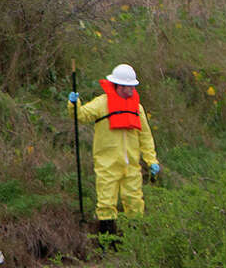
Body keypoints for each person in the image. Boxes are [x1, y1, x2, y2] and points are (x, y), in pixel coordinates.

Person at [68, 63, 160, 236]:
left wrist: (151, 160)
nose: (132, 90)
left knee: (135, 203)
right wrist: (74, 104)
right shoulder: (102, 104)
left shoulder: (137, 108)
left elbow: (146, 137)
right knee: (106, 203)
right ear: (119, 85)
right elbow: (80, 116)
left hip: (131, 166)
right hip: (107, 164)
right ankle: (107, 245)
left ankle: (134, 242)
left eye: (133, 87)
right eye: (128, 87)